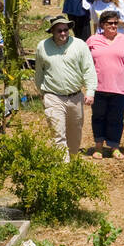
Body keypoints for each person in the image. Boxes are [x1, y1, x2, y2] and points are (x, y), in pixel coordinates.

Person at [34, 15, 96, 159]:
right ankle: (62, 169)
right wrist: (42, 92)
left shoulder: (80, 45)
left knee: (75, 135)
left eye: (66, 30)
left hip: (75, 96)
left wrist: (90, 91)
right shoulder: (42, 46)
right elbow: (39, 72)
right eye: (59, 30)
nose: (63, 33)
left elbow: (89, 69)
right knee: (58, 134)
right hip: (53, 96)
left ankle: (72, 163)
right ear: (52, 32)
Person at [87, 9, 124, 158]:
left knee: (116, 118)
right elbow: (84, 61)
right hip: (98, 87)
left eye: (115, 23)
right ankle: (98, 147)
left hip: (120, 88)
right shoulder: (93, 40)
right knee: (98, 117)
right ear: (102, 25)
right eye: (110, 23)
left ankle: (114, 146)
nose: (113, 26)